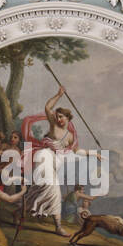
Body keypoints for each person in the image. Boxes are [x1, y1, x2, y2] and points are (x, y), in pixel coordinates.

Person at [26, 84, 80, 237]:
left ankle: (20, 212)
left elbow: (77, 151)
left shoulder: (71, 137)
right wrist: (59, 94)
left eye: (61, 116)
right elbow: (47, 107)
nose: (58, 118)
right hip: (45, 156)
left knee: (39, 189)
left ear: (68, 118)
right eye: (57, 116)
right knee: (54, 190)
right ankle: (58, 227)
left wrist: (93, 155)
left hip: (56, 162)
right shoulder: (53, 125)